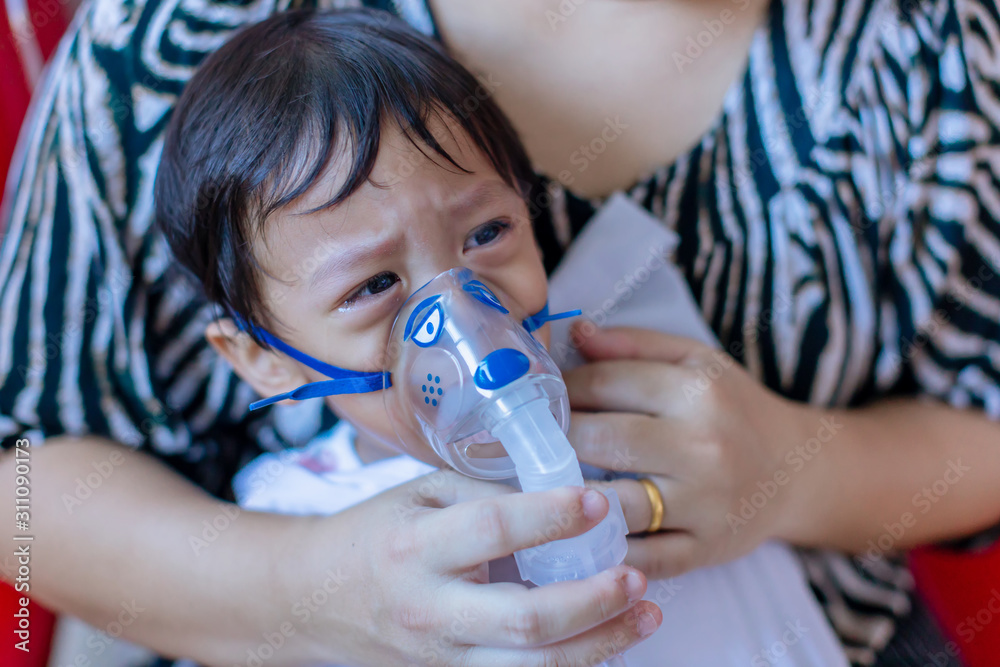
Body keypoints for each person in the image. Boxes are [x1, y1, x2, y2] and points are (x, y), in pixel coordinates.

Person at [1, 0, 999, 665]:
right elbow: (17, 486)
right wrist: (307, 590)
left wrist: (796, 472)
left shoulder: (924, 43)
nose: (463, 322)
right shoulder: (177, 37)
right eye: (373, 287)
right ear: (255, 354)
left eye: (488, 234)